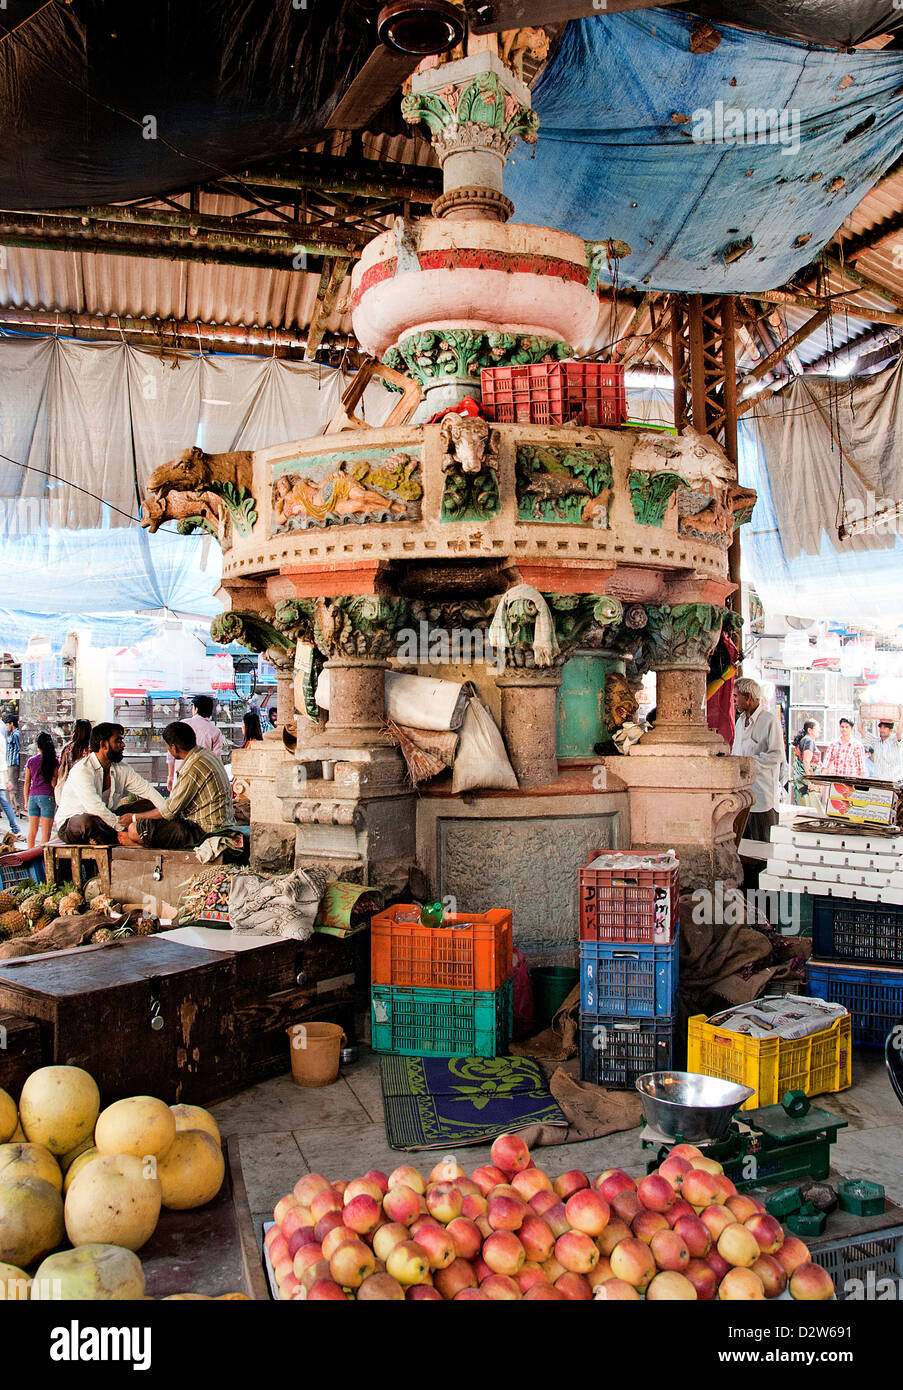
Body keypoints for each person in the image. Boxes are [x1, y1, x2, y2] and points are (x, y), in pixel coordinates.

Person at [120, 722, 232, 850]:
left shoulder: (193, 767)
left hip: (204, 830)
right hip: (218, 823)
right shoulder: (206, 754)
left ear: (174, 747)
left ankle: (139, 843)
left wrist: (134, 817)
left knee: (135, 829)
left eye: (167, 747)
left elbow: (170, 811)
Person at [55, 723, 167, 845]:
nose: (123, 745)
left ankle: (120, 836)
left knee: (149, 805)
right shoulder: (82, 770)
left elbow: (147, 790)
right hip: (74, 824)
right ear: (103, 745)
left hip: (106, 819)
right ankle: (126, 838)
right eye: (118, 741)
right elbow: (95, 808)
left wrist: (167, 811)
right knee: (86, 822)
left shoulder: (121, 768)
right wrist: (121, 828)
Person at [732, 678, 787, 842]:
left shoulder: (769, 721)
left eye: (736, 696)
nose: (734, 700)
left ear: (748, 697)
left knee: (762, 850)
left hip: (762, 799)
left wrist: (748, 763)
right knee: (743, 849)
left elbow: (777, 755)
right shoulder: (741, 721)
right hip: (742, 798)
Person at [166, 695, 223, 790]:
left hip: (181, 775)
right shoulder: (215, 731)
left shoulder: (182, 725)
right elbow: (216, 759)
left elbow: (170, 755)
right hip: (203, 778)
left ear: (196, 709)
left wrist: (170, 776)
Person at [23, 731, 58, 848]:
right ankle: (43, 862)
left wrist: (25, 801)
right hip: (47, 797)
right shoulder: (53, 761)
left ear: (38, 746)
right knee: (45, 836)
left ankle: (29, 860)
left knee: (32, 833)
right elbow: (54, 784)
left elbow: (27, 783)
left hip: (32, 797)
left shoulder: (31, 761)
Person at [861, 710, 903, 782]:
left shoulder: (894, 740)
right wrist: (860, 713)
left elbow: (899, 732)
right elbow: (861, 730)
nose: (882, 730)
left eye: (885, 728)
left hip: (893, 781)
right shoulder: (875, 741)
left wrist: (902, 714)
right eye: (881, 727)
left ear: (890, 730)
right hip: (879, 780)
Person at [792, 719, 822, 808]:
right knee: (811, 806)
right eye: (817, 729)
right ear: (810, 730)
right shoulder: (808, 741)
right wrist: (809, 781)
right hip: (806, 782)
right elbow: (806, 761)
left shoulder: (805, 740)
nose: (819, 731)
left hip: (805, 779)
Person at [57, 719, 92, 792]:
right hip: (88, 785)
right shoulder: (92, 748)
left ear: (75, 731)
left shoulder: (67, 748)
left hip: (70, 785)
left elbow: (62, 766)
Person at [0, 718, 20, 835]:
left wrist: (6, 778)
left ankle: (16, 828)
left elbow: (2, 760)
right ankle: (15, 828)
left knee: (4, 801)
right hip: (2, 774)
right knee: (4, 802)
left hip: (2, 774)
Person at [4, 714, 20, 814]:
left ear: (11, 724)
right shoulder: (14, 734)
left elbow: (18, 748)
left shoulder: (15, 735)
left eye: (7, 725)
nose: (6, 727)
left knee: (12, 786)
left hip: (13, 763)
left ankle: (16, 808)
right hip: (10, 763)